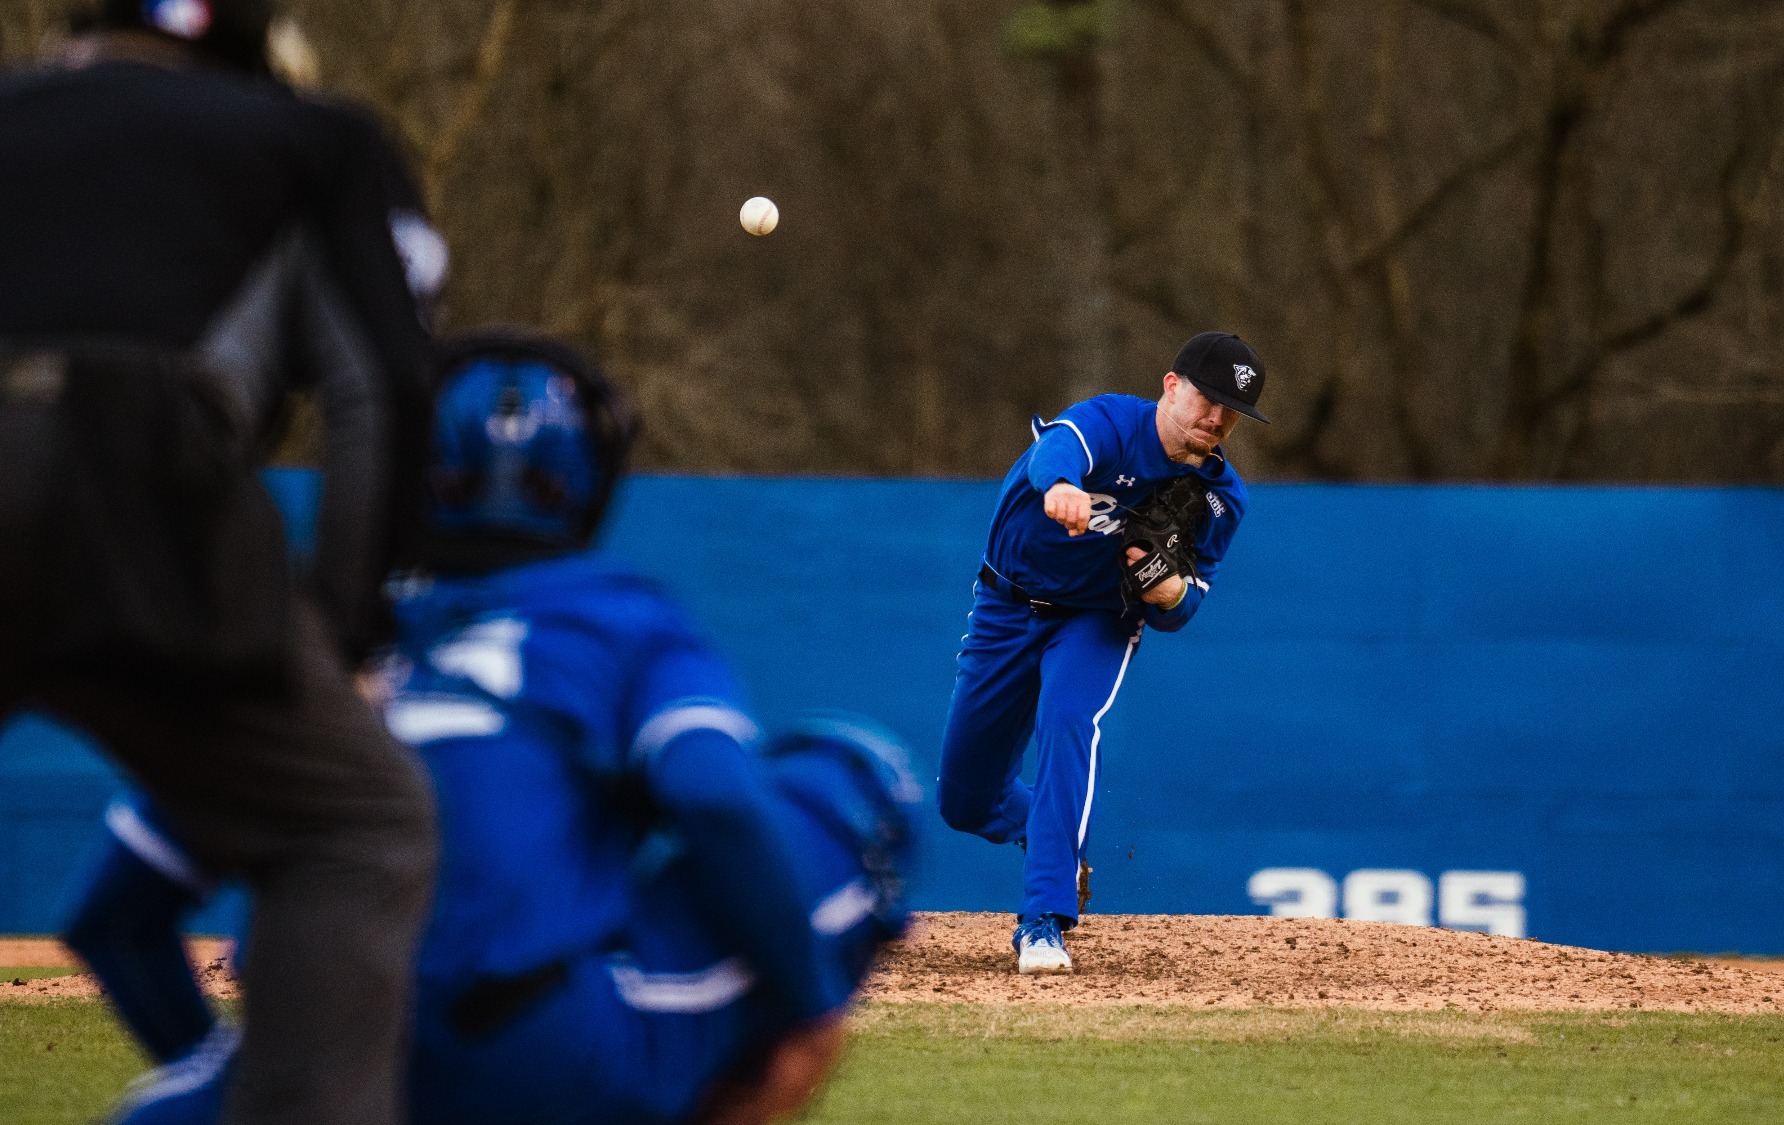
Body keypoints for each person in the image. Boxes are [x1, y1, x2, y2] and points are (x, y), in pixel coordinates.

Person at [67, 330, 904, 1125]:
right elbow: (711, 793)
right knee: (849, 785)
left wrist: (263, 1086)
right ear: (587, 481)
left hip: (324, 1048)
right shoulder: (616, 615)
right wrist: (809, 1012)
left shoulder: (321, 641)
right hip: (542, 1048)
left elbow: (114, 917)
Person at [0, 4, 441, 1123]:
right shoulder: (309, 135)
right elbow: (380, 389)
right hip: (139, 471)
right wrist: (349, 632)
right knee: (355, 823)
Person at [936, 331, 1267, 974]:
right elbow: (1055, 450)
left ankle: (1043, 921)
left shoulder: (1222, 498)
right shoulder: (1112, 421)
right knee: (964, 801)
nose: (1217, 418)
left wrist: (1170, 592)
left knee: (1067, 719)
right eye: (1208, 398)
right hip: (1007, 604)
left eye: (1233, 411)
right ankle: (1045, 832)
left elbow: (1186, 606)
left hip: (1098, 618)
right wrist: (1060, 484)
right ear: (1171, 385)